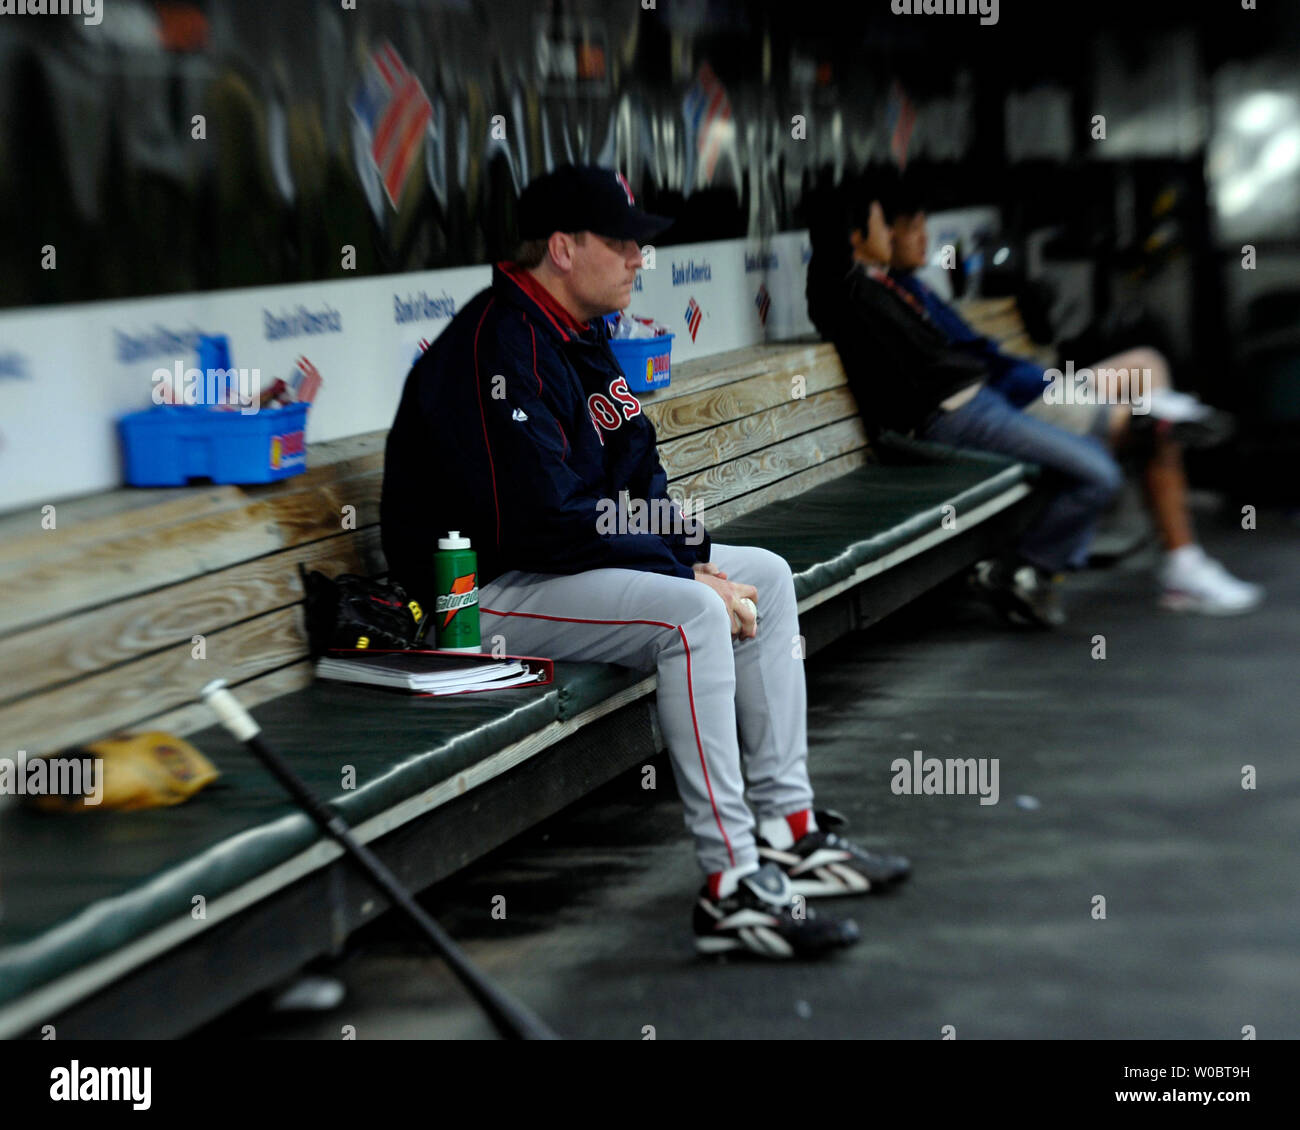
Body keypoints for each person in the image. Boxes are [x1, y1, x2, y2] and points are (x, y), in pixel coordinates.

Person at [381, 164, 910, 960]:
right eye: (623, 242)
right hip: (474, 595)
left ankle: (789, 828)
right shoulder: (496, 345)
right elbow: (541, 522)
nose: (639, 258)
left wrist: (682, 553)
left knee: (760, 573)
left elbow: (638, 469)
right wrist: (674, 573)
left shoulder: (579, 334)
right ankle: (732, 886)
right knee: (692, 613)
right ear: (562, 247)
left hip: (558, 568)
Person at [886, 194, 1263, 616]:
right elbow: (966, 374)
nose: (923, 239)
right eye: (911, 229)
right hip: (1019, 400)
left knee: (1146, 364)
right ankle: (1183, 563)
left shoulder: (918, 288)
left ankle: (1173, 430)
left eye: (924, 227)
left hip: (1033, 383)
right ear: (882, 235)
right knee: (1150, 429)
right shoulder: (897, 299)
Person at [807, 177, 1123, 627]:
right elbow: (830, 271)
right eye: (881, 224)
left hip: (982, 405)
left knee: (1095, 449)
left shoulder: (886, 286)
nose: (890, 234)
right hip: (954, 419)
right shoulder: (847, 293)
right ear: (854, 236)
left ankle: (1032, 570)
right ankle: (1021, 569)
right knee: (1100, 475)